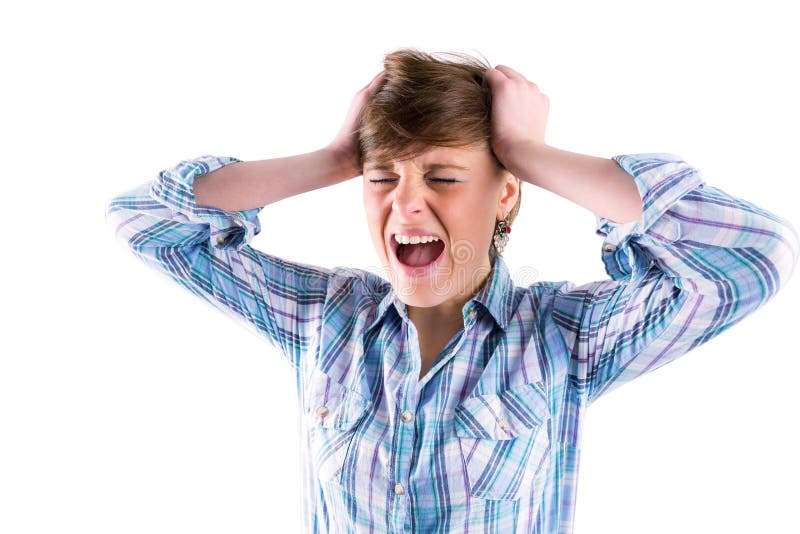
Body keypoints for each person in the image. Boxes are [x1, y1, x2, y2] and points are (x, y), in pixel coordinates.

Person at [105, 48, 799, 533]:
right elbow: (145, 219)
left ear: (503, 195)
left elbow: (750, 256)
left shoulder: (566, 338)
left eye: (441, 178)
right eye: (384, 179)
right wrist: (333, 159)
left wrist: (529, 153)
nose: (405, 206)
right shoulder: (324, 320)